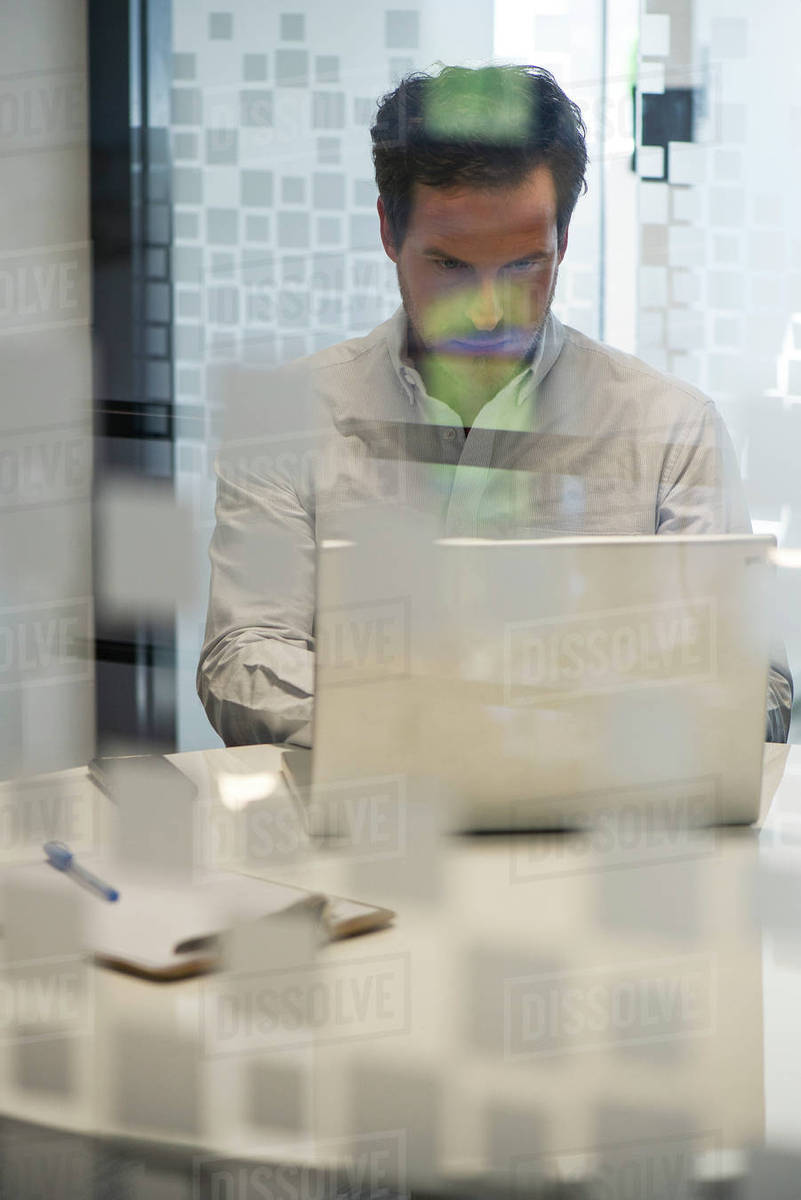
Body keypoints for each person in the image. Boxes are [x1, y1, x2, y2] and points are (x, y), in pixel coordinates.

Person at [197, 64, 792, 746]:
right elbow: (241, 660)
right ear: (389, 231)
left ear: (563, 242)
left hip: (599, 807)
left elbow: (760, 693)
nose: (486, 314)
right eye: (450, 265)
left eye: (522, 265)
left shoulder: (671, 431)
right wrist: (448, 720)